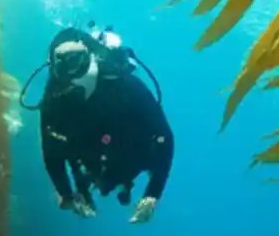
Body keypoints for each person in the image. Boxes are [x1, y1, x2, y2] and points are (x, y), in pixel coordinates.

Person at [20, 24, 174, 224]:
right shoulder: (53, 102)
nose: (73, 71)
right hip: (91, 166)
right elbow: (51, 155)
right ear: (55, 68)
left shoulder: (125, 85)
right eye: (64, 65)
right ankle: (89, 192)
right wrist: (66, 195)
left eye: (77, 59)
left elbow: (164, 136)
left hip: (131, 156)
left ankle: (109, 186)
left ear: (91, 55)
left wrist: (153, 194)